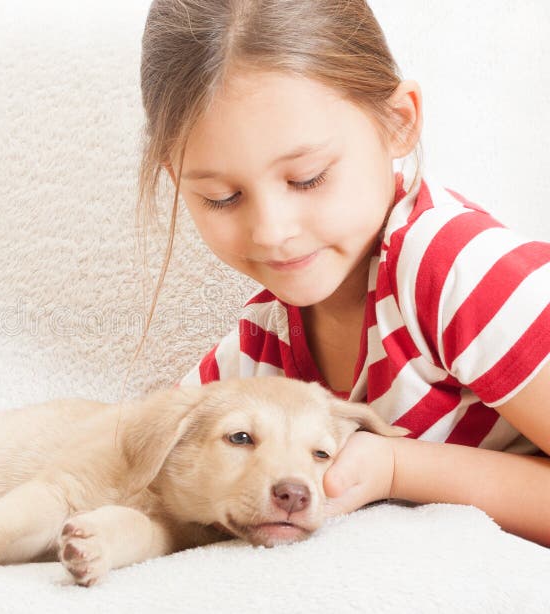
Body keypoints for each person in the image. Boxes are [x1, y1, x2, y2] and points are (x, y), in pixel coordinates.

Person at [135, 0, 550, 546]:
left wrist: (399, 469)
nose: (271, 231)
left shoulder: (458, 270)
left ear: (398, 122)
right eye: (222, 197)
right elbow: (149, 471)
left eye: (307, 178)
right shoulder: (264, 342)